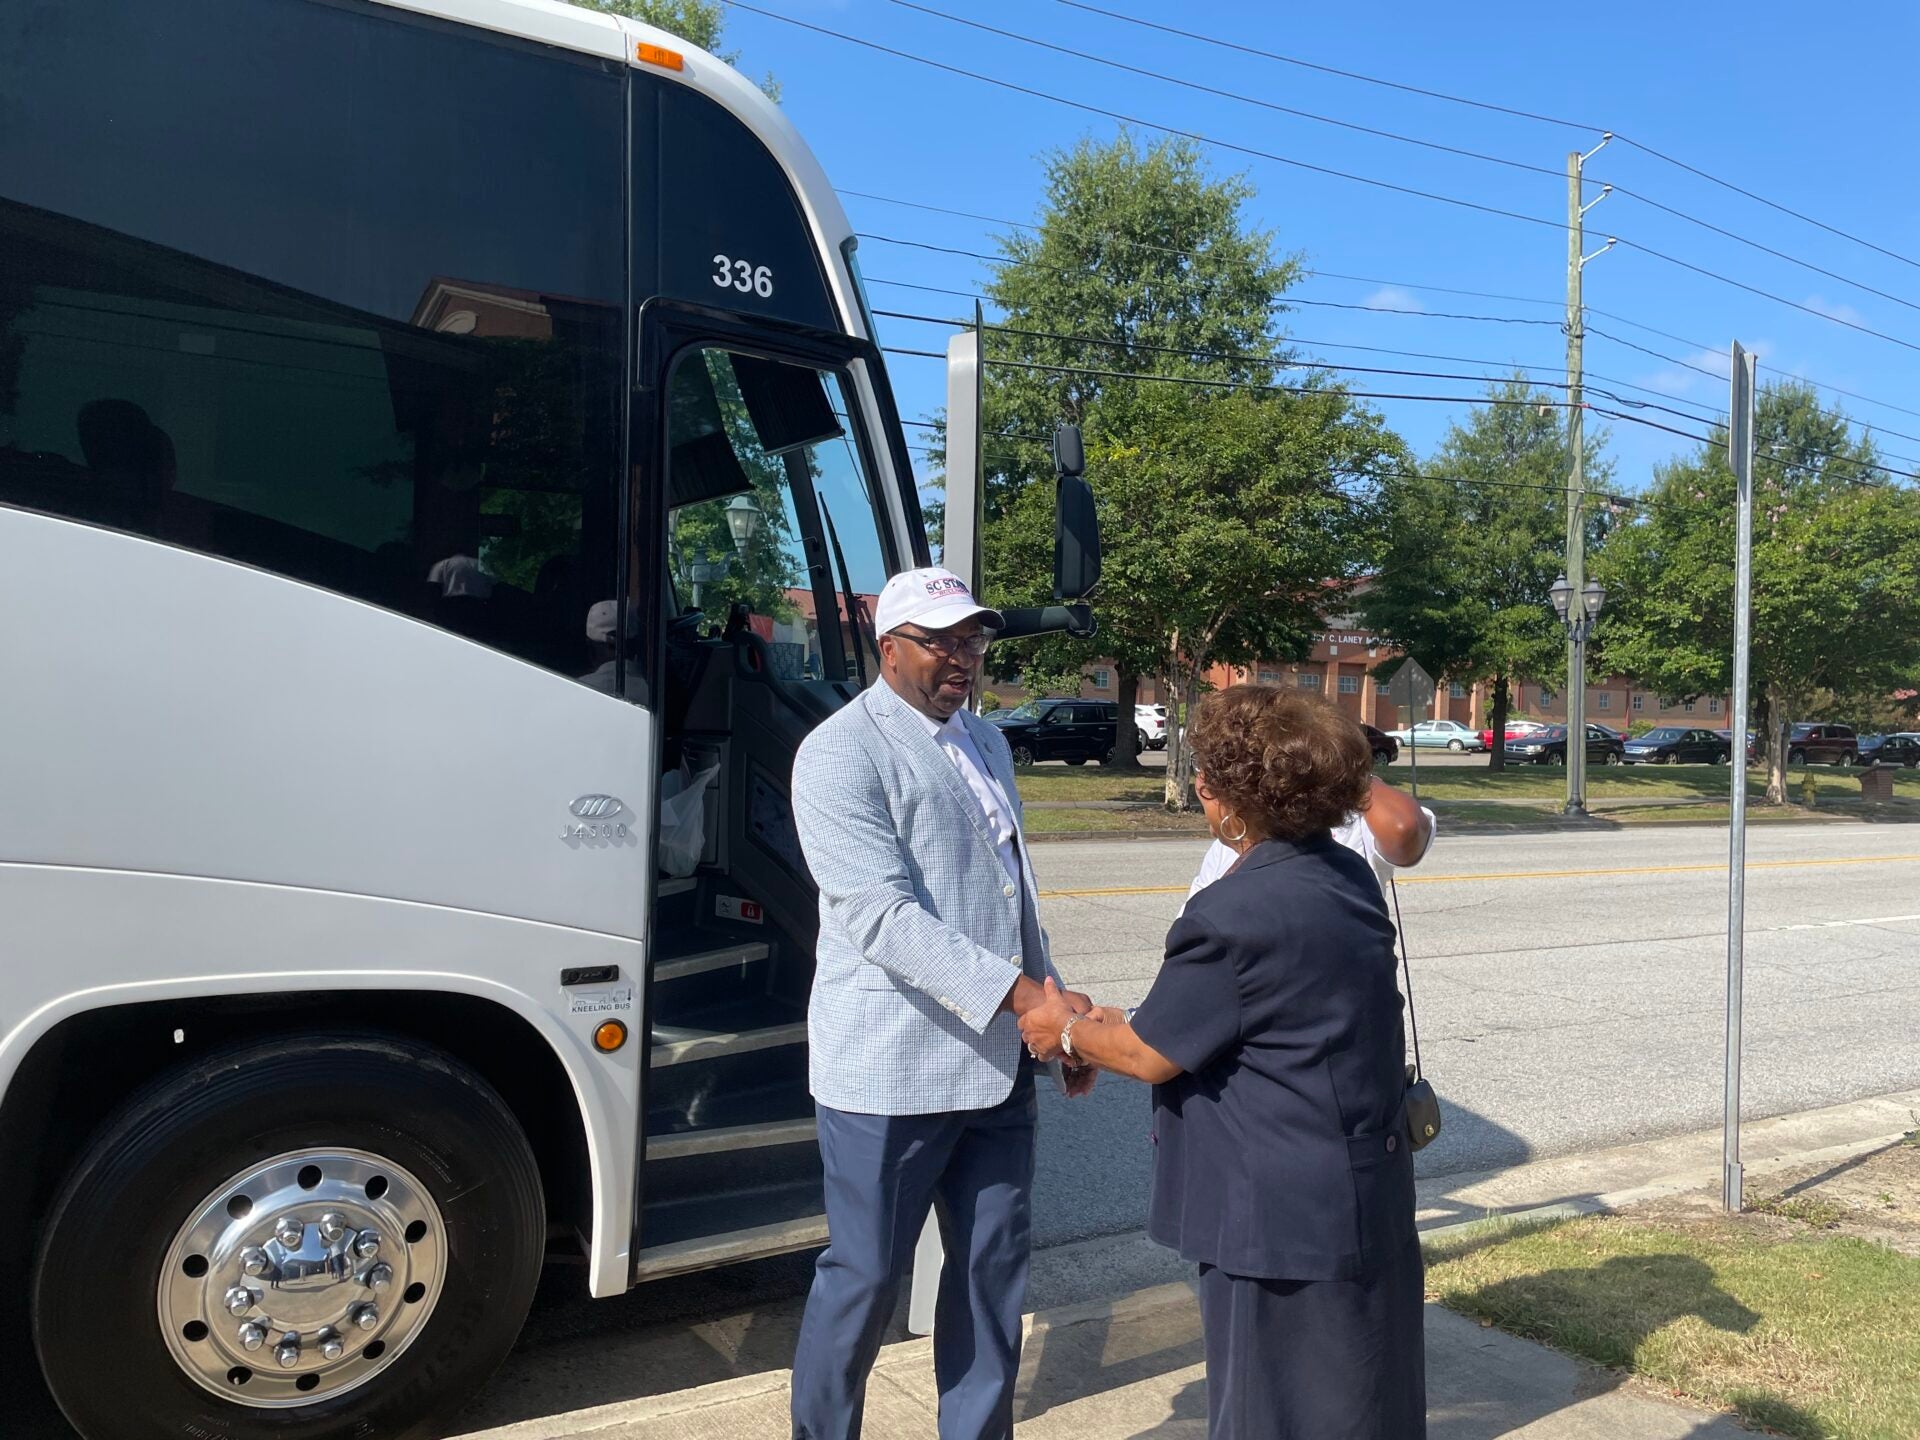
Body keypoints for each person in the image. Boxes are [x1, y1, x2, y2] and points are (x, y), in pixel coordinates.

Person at [1020, 685, 1426, 1440]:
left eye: (1207, 775)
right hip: (1356, 1191)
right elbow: (1256, 1013)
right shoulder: (1343, 876)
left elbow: (1149, 1057)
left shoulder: (1233, 911)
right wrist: (1118, 1023)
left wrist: (1065, 1031)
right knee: (1362, 1400)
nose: (1202, 788)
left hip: (1275, 1221)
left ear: (1230, 798)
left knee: (1270, 1411)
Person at [788, 565, 1095, 1440]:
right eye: (941, 642)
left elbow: (1010, 893)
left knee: (990, 1275)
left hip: (998, 1068)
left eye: (973, 639)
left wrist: (1057, 1018)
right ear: (889, 647)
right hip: (892, 1069)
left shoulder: (987, 740)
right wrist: (1026, 999)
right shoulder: (840, 752)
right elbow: (880, 916)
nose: (963, 658)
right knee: (864, 1279)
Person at [1185, 772, 1434, 905]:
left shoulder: (1353, 823)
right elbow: (1190, 921)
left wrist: (1358, 777)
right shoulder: (1227, 844)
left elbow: (1405, 828)